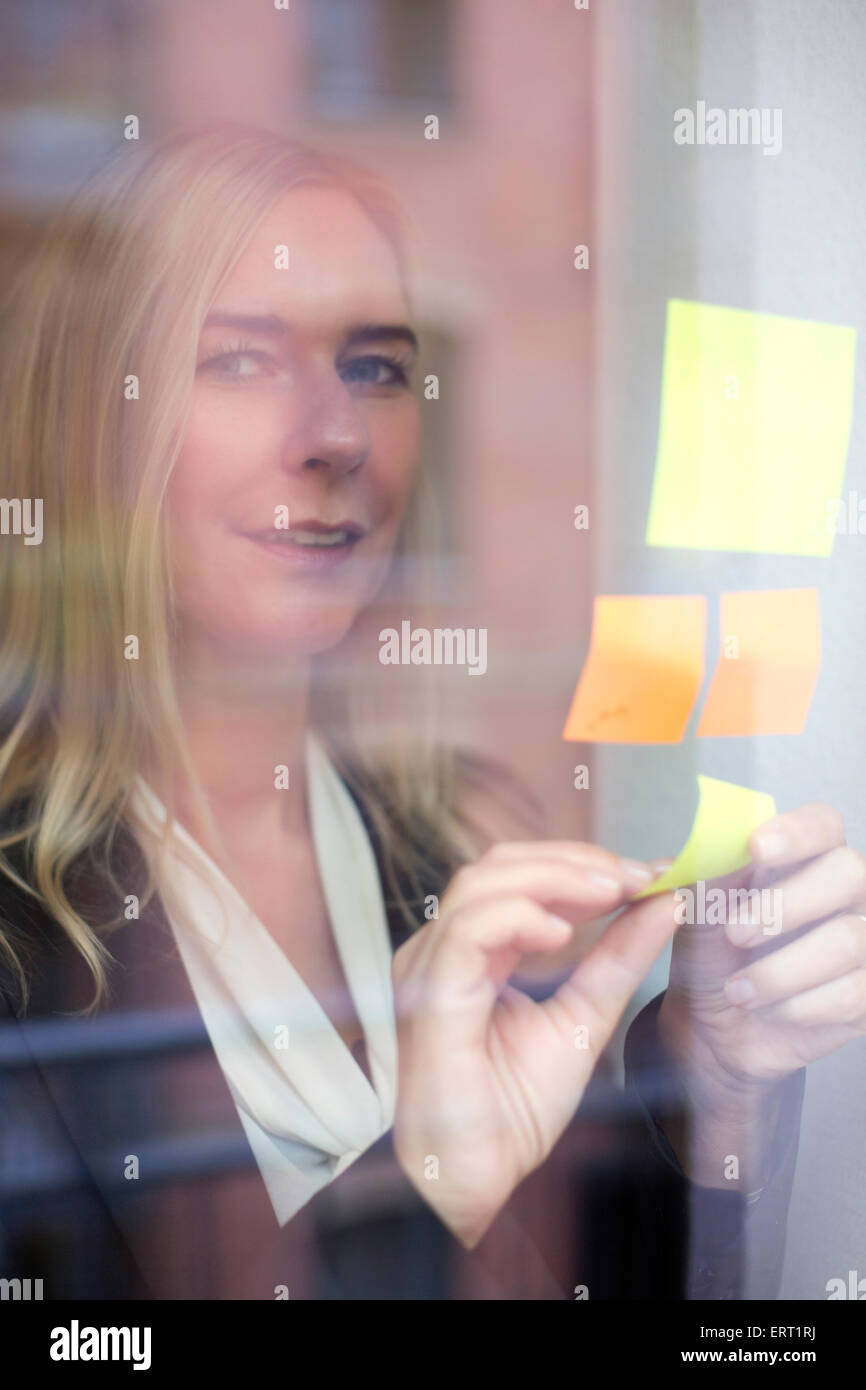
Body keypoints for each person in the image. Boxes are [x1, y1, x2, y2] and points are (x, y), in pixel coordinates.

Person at [1, 125, 864, 1301]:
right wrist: (426, 1193)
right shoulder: (20, 932)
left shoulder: (453, 845)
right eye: (241, 360)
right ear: (93, 425)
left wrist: (696, 1089)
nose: (338, 435)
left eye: (374, 367)